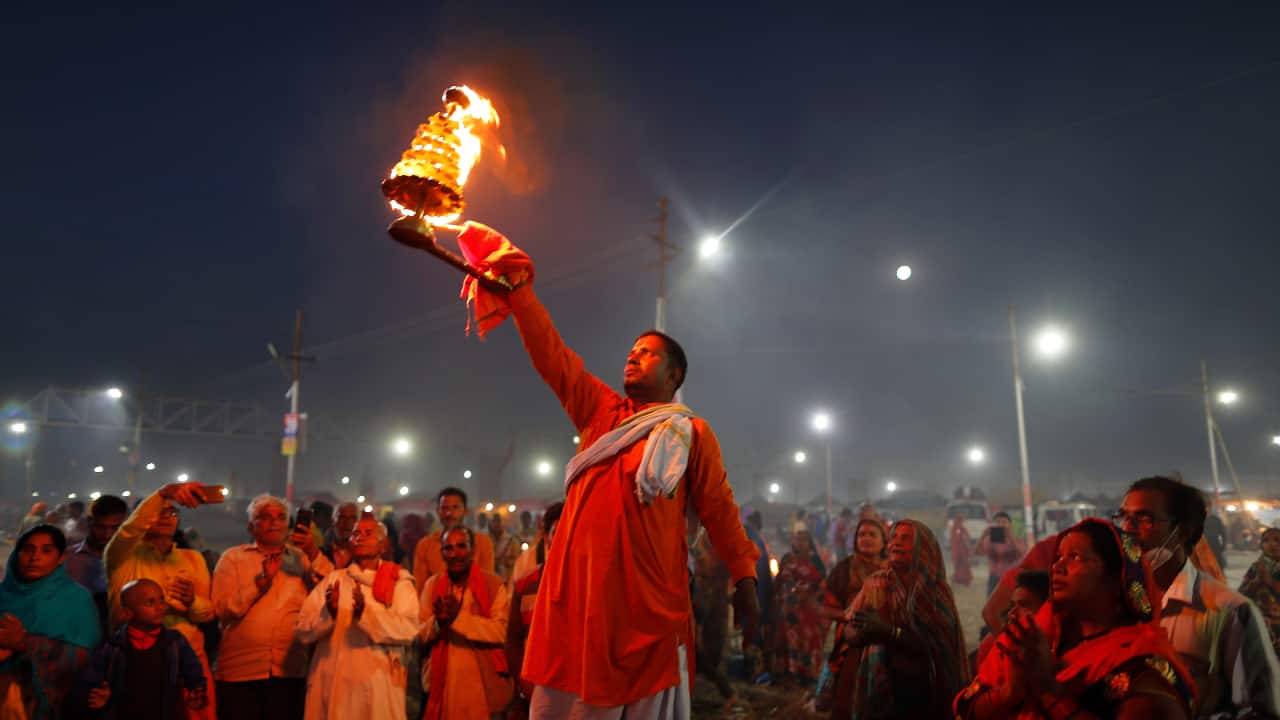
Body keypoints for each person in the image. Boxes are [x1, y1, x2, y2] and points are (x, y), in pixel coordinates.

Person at [495, 238, 760, 718]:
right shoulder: (601, 412)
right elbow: (552, 356)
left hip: (644, 611)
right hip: (576, 600)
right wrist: (520, 294)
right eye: (632, 351)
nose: (633, 357)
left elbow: (720, 511)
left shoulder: (691, 433)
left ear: (675, 373)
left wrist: (745, 580)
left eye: (648, 353)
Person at [955, 519, 1193, 719]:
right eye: (1058, 557)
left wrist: (1048, 688)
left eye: (1076, 557)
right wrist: (1010, 692)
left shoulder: (1140, 663)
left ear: (1116, 577)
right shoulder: (1035, 634)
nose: (1058, 566)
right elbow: (967, 709)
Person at [1116, 475, 1280, 718]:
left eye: (1144, 518)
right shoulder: (1112, 602)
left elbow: (1261, 710)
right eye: (1124, 517)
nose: (1127, 529)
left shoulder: (1228, 611)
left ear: (1183, 531)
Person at [211, 495, 332, 720]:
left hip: (289, 669)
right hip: (241, 671)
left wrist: (313, 552)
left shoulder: (301, 558)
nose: (274, 523)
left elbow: (331, 589)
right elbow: (221, 610)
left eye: (281, 517)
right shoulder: (233, 558)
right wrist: (257, 586)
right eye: (265, 517)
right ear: (250, 526)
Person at [104, 482, 216, 720]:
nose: (166, 517)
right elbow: (128, 531)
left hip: (190, 662)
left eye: (172, 512)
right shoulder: (122, 555)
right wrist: (164, 493)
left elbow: (206, 613)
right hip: (138, 662)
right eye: (159, 511)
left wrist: (191, 601)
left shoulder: (192, 558)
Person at [844, 519, 968, 719]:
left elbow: (936, 646)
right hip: (880, 683)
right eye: (893, 537)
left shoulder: (935, 593)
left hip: (925, 689)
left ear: (924, 548)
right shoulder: (876, 583)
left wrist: (888, 631)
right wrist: (859, 631)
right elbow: (848, 632)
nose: (896, 543)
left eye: (906, 538)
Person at [296, 517, 418, 720]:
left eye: (368, 533)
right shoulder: (334, 579)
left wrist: (365, 616)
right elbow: (301, 629)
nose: (360, 538)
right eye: (355, 534)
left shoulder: (398, 581)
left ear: (383, 544)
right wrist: (329, 615)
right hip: (334, 682)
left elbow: (409, 630)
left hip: (378, 684)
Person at [0, 525, 100, 719]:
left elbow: (86, 657)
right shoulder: (3, 594)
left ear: (61, 558)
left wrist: (25, 643)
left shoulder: (76, 599)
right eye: (27, 549)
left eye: (46, 551)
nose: (34, 557)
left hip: (44, 701)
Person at [76, 579, 208, 720]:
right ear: (127, 613)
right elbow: (92, 679)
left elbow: (192, 669)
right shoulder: (112, 647)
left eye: (161, 600)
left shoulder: (175, 642)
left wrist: (196, 689)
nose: (160, 607)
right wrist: (101, 695)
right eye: (150, 603)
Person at [420, 527, 512, 720]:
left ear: (473, 550)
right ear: (442, 554)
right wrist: (439, 621)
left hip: (481, 684)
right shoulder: (432, 585)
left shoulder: (493, 585)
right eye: (448, 548)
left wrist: (458, 618)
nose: (455, 554)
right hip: (443, 684)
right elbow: (420, 634)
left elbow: (502, 632)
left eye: (461, 546)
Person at [822, 517, 887, 714]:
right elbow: (825, 606)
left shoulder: (893, 570)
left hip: (886, 639)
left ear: (884, 541)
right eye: (861, 534)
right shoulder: (844, 568)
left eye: (872, 534)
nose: (866, 538)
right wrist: (848, 617)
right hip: (851, 641)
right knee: (847, 693)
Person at [506, 502, 563, 720]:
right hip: (537, 687)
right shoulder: (526, 583)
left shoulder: (592, 582)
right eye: (557, 533)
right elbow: (513, 637)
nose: (563, 539)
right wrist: (523, 681)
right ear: (547, 537)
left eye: (570, 531)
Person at [767, 524, 826, 687]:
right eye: (797, 539)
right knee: (790, 643)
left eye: (803, 540)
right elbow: (779, 581)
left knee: (809, 642)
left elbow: (823, 585)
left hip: (808, 612)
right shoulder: (788, 559)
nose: (800, 543)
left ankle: (809, 676)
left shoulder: (815, 561)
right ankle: (791, 674)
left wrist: (808, 593)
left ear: (809, 542)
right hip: (790, 613)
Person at [64, 495, 128, 634]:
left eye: (115, 528)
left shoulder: (133, 560)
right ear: (89, 522)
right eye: (100, 527)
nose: (107, 535)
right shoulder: (66, 559)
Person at [413, 489, 495, 594]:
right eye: (444, 508)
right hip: (436, 606)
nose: (449, 513)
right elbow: (420, 588)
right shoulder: (425, 545)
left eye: (455, 507)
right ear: (438, 511)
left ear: (466, 511)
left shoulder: (483, 542)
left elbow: (487, 584)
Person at [689, 525, 736, 707]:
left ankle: (724, 691)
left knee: (706, 650)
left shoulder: (719, 550)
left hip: (713, 603)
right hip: (703, 601)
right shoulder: (701, 546)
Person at [973, 569, 1050, 667]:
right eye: (1013, 605)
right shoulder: (993, 647)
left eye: (1024, 605)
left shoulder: (1054, 653)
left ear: (1045, 607)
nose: (1012, 613)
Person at [1239, 527, 1280, 657]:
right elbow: (1240, 594)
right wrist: (1255, 583)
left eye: (1277, 540)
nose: (1272, 544)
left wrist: (1269, 581)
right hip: (1260, 626)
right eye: (1266, 541)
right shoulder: (1257, 567)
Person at [974, 512, 1025, 596]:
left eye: (1004, 522)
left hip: (1011, 578)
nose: (1001, 525)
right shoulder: (990, 540)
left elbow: (1020, 553)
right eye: (998, 522)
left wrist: (1010, 537)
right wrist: (983, 536)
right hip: (994, 578)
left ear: (1010, 525)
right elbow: (977, 552)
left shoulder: (1017, 539)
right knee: (992, 605)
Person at [321, 503, 357, 568]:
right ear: (333, 520)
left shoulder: (360, 554)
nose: (347, 523)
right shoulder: (321, 548)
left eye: (352, 518)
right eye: (342, 517)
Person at [489, 514, 520, 581]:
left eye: (499, 521)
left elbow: (517, 560)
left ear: (504, 523)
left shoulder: (512, 541)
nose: (496, 524)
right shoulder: (486, 540)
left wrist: (505, 562)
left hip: (506, 578)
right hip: (490, 578)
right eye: (494, 521)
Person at [949, 515, 973, 588]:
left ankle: (963, 580)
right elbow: (959, 539)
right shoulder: (957, 529)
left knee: (963, 566)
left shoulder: (958, 528)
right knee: (960, 566)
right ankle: (960, 580)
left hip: (961, 551)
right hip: (959, 551)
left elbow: (967, 537)